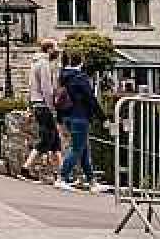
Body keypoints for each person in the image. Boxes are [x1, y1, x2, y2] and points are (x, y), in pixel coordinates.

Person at [54, 53, 103, 191]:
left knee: (83, 149)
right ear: (81, 63)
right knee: (76, 148)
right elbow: (90, 99)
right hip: (80, 117)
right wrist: (103, 117)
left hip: (67, 116)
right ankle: (62, 177)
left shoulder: (63, 77)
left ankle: (91, 181)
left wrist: (59, 118)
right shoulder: (80, 78)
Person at [23, 40, 62, 178]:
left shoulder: (35, 63)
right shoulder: (44, 64)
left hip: (37, 104)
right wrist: (52, 108)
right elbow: (46, 89)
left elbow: (30, 87)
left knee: (55, 140)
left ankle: (62, 173)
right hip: (44, 106)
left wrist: (29, 106)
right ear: (49, 49)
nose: (57, 51)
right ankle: (26, 167)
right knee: (46, 139)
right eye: (55, 48)